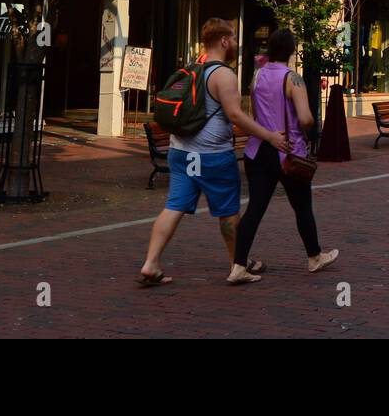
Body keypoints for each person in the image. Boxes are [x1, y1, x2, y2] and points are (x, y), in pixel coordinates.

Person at [139, 18, 289, 288]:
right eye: (233, 39)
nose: (235, 44)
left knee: (174, 207)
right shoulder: (224, 75)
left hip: (181, 152)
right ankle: (238, 264)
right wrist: (268, 136)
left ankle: (151, 263)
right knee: (229, 212)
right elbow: (235, 115)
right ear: (223, 40)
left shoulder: (193, 68)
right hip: (212, 156)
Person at [229, 29, 338, 281]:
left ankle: (238, 265)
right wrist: (306, 130)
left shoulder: (257, 76)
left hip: (258, 149)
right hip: (288, 152)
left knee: (254, 209)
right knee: (302, 207)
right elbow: (306, 118)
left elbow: (255, 113)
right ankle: (314, 256)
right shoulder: (292, 79)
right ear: (291, 50)